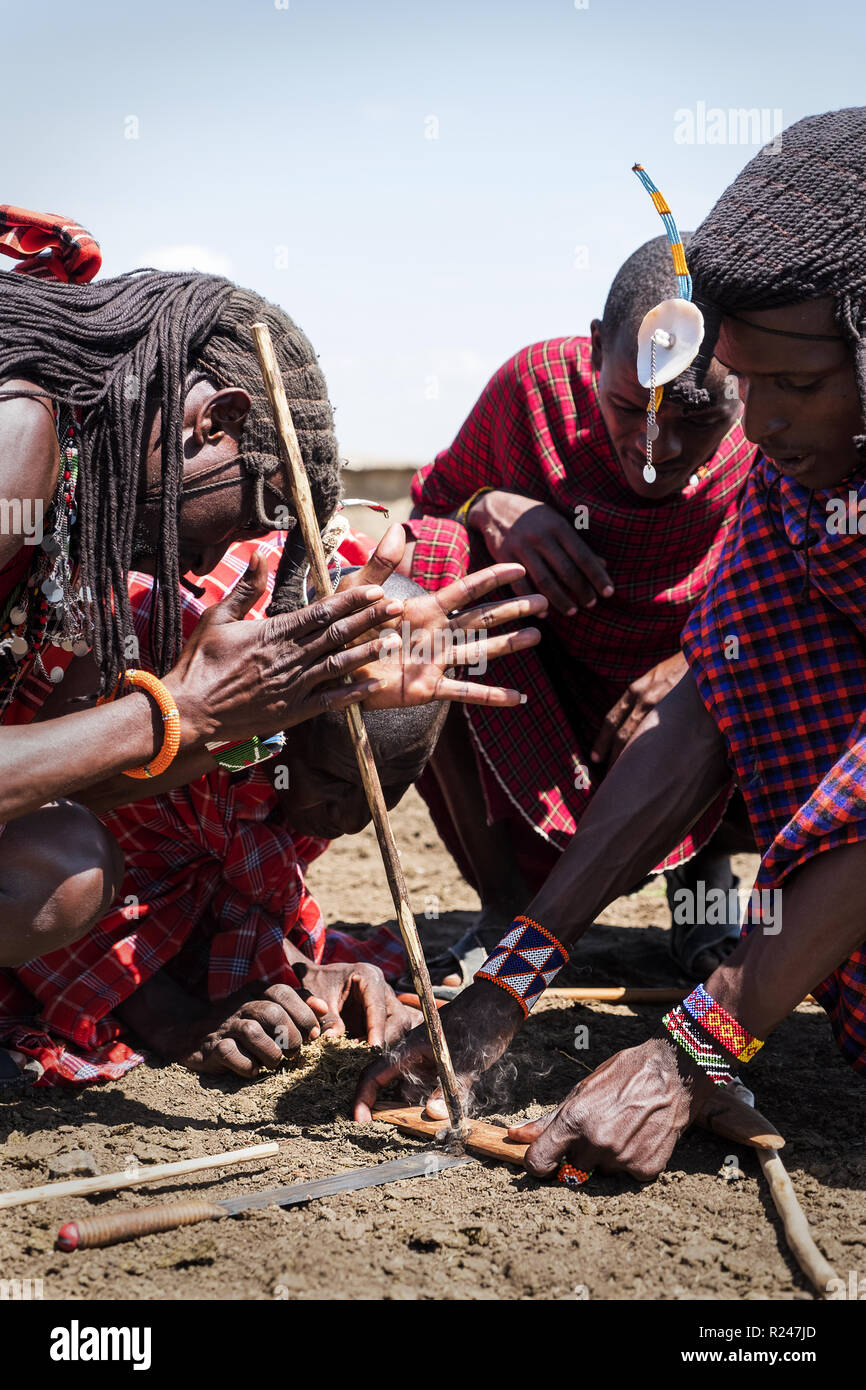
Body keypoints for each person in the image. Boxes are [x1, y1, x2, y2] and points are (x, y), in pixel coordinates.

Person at [356, 109, 866, 1183]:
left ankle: (721, 922)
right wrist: (512, 976)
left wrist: (700, 1042)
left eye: (796, 387)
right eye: (751, 383)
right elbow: (711, 701)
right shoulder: (795, 492)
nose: (762, 428)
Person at [0, 207, 544, 1077]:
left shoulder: (70, 499)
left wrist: (254, 708)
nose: (218, 560)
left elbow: (61, 785)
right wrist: (179, 710)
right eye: (254, 515)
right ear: (212, 422)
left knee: (55, 864)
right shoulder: (19, 438)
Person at [399, 235, 756, 984]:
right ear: (595, 350)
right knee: (427, 564)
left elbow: (796, 578)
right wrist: (490, 506)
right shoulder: (532, 389)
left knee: (763, 653)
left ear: (748, 384)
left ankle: (705, 884)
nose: (656, 447)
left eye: (698, 423)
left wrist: (699, 661)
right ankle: (506, 901)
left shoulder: (774, 436)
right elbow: (434, 504)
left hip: (698, 710)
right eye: (630, 407)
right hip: (546, 697)